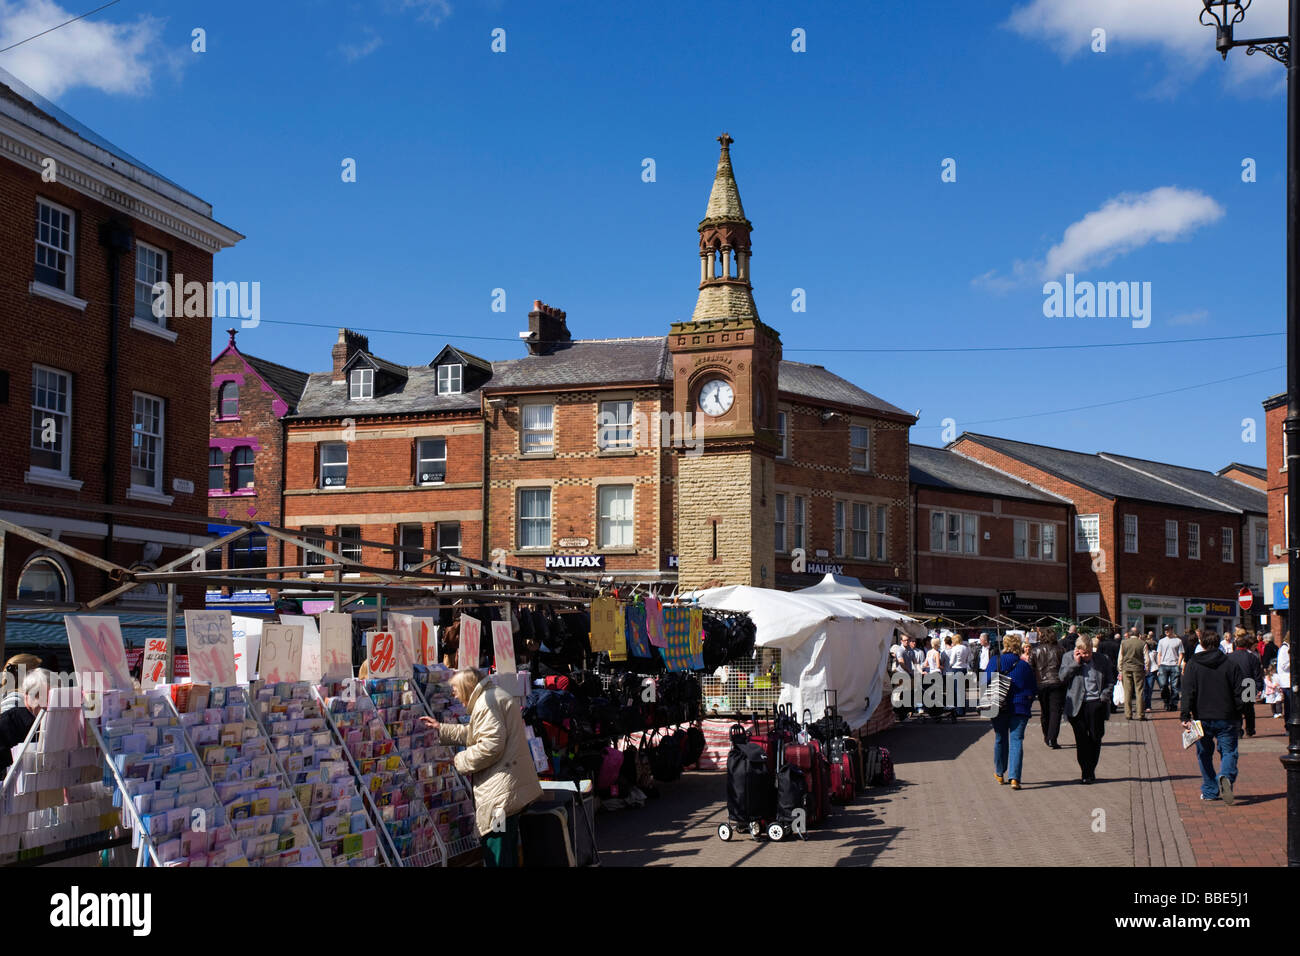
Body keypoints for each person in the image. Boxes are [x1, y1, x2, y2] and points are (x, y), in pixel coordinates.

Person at [418, 667, 542, 866]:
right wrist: (441, 729)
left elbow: (491, 746)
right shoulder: (491, 697)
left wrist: (459, 760)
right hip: (506, 790)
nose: (454, 695)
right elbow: (477, 733)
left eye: (456, 690)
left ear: (466, 687)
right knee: (505, 847)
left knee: (498, 849)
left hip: (499, 797)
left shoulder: (487, 703)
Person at [1180, 630, 1245, 804]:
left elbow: (1187, 691)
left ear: (1201, 644)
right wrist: (1241, 711)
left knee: (1204, 754)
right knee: (1229, 752)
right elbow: (1242, 692)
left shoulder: (1193, 664)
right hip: (1227, 715)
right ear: (1219, 644)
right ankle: (1225, 777)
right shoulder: (1231, 664)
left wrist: (1185, 715)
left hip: (1201, 717)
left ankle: (1210, 790)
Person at [1059, 636, 1115, 784]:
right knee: (1082, 740)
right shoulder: (1068, 657)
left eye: (1089, 652)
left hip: (1096, 703)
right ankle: (1086, 772)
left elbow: (1110, 680)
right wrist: (1075, 663)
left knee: (1096, 738)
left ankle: (1091, 769)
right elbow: (1062, 678)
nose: (1086, 656)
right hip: (1077, 705)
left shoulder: (1102, 659)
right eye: (1083, 653)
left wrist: (1103, 697)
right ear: (1077, 651)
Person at [986, 632, 1036, 790]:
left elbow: (986, 681)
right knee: (1016, 741)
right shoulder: (1024, 665)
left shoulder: (995, 661)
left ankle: (1000, 773)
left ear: (1005, 645)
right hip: (1020, 707)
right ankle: (1015, 778)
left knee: (1000, 738)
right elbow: (1033, 688)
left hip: (998, 705)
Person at [0, 667, 51, 776]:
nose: (47, 705)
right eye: (42, 697)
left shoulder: (55, 721)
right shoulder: (7, 724)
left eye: (53, 698)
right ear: (27, 696)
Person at [1031, 629, 1066, 749]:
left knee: (1045, 711)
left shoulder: (1035, 650)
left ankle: (1047, 735)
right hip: (1057, 682)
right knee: (1055, 712)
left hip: (1041, 683)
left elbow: (1031, 668)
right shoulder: (1061, 649)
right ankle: (1052, 738)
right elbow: (1065, 667)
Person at [1228, 634, 1265, 738]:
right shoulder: (1252, 657)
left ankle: (1238, 730)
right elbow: (1257, 674)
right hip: (1249, 684)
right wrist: (1259, 687)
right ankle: (1250, 729)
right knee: (1249, 710)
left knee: (1236, 710)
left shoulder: (1229, 657)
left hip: (1234, 686)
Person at [1118, 628, 1148, 720]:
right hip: (1138, 668)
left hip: (1126, 668)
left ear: (1130, 634)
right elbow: (1147, 659)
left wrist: (1120, 669)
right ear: (1139, 635)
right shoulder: (1143, 643)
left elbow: (1120, 657)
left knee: (1127, 692)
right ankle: (1140, 714)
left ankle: (1128, 714)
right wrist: (1146, 669)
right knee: (1139, 691)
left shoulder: (1124, 643)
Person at [1155, 625, 1184, 711]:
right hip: (1163, 665)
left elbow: (1181, 653)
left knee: (1174, 687)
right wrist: (1159, 665)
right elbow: (1159, 654)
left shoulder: (1178, 641)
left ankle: (1173, 704)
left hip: (1174, 665)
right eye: (1165, 630)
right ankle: (1166, 701)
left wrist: (1178, 665)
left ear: (1172, 630)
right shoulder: (1161, 641)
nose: (1166, 631)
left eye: (1168, 629)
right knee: (1163, 685)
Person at [946, 630, 971, 717]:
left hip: (956, 669)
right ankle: (962, 710)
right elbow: (969, 659)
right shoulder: (966, 648)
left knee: (957, 690)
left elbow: (952, 661)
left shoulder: (955, 648)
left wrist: (949, 665)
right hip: (964, 669)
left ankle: (958, 710)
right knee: (962, 690)